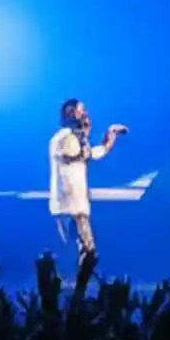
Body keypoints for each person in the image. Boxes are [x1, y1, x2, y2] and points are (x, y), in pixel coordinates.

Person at [49, 98, 127, 267]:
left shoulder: (72, 138)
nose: (86, 114)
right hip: (69, 207)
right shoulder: (64, 138)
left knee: (84, 254)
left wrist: (109, 139)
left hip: (73, 207)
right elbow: (78, 153)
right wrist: (85, 133)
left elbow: (90, 153)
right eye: (82, 111)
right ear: (72, 114)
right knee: (82, 253)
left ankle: (75, 286)